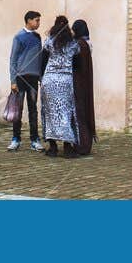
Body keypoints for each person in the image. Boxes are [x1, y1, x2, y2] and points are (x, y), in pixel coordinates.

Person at [39, 15, 80, 157]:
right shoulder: (73, 44)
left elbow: (42, 61)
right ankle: (67, 147)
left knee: (50, 114)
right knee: (65, 114)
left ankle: (53, 148)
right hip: (65, 82)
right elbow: (77, 64)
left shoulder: (49, 42)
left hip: (49, 80)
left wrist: (41, 78)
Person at [7, 10, 46, 151]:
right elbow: (13, 59)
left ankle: (35, 140)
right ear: (29, 20)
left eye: (39, 20)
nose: (38, 23)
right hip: (20, 78)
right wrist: (13, 80)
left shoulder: (37, 37)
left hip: (34, 79)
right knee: (18, 110)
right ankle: (15, 139)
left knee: (33, 109)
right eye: (36, 20)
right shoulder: (19, 37)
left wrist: (41, 76)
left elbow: (40, 58)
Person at [71, 19, 96, 156]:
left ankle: (81, 145)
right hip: (85, 82)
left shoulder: (79, 45)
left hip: (78, 83)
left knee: (79, 113)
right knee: (84, 112)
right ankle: (84, 144)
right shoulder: (87, 43)